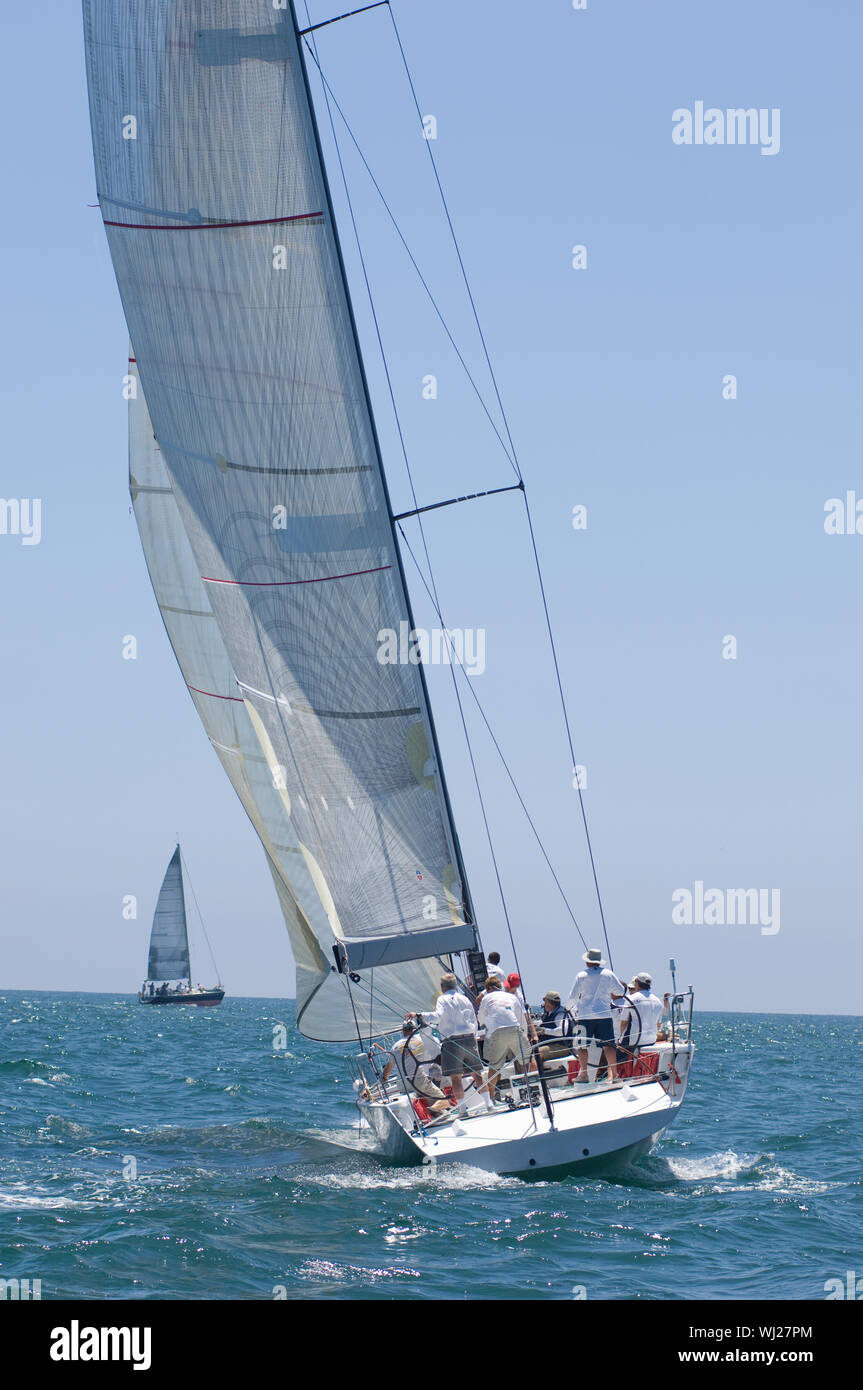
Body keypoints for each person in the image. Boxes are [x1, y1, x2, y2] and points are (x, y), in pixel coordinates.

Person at [410, 974, 492, 1114]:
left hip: (452, 1042)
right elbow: (473, 1019)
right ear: (455, 986)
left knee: (456, 1077)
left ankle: (462, 1110)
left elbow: (438, 1016)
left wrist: (419, 1015)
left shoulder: (442, 999)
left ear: (442, 987)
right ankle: (489, 1104)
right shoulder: (464, 998)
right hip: (469, 1039)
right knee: (477, 1074)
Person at [567, 948, 625, 1084]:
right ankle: (614, 1075)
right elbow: (620, 991)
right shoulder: (608, 974)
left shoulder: (581, 975)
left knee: (582, 1046)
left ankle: (584, 1075)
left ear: (587, 962)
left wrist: (567, 1009)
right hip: (604, 1015)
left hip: (585, 1016)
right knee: (609, 1046)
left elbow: (573, 996)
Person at [381, 1022, 453, 1116]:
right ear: (415, 1029)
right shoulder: (424, 1040)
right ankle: (434, 1110)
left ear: (402, 1030)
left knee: (428, 1093)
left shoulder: (395, 1046)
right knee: (444, 1100)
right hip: (419, 1081)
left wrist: (383, 1081)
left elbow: (387, 1070)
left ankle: (434, 1114)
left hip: (403, 1085)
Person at [477, 978, 531, 1102]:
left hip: (497, 1033)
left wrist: (486, 1025)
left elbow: (481, 1018)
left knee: (494, 1067)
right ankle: (531, 1090)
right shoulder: (511, 997)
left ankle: (490, 1099)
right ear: (499, 986)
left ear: (488, 988)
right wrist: (525, 1036)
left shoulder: (486, 998)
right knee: (526, 1060)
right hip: (515, 1029)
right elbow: (521, 1019)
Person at [619, 974, 664, 1054]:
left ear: (636, 982)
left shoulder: (631, 998)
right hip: (652, 1040)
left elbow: (624, 1023)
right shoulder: (658, 1001)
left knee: (612, 1053)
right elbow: (658, 1025)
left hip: (634, 1041)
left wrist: (618, 1039)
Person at [535, 990, 575, 1065]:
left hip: (563, 1046)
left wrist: (544, 1031)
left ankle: (537, 1075)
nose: (544, 1004)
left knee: (536, 1054)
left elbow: (562, 1031)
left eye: (545, 1001)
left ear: (550, 1003)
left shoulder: (560, 1014)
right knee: (526, 1052)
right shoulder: (549, 1014)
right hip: (551, 1045)